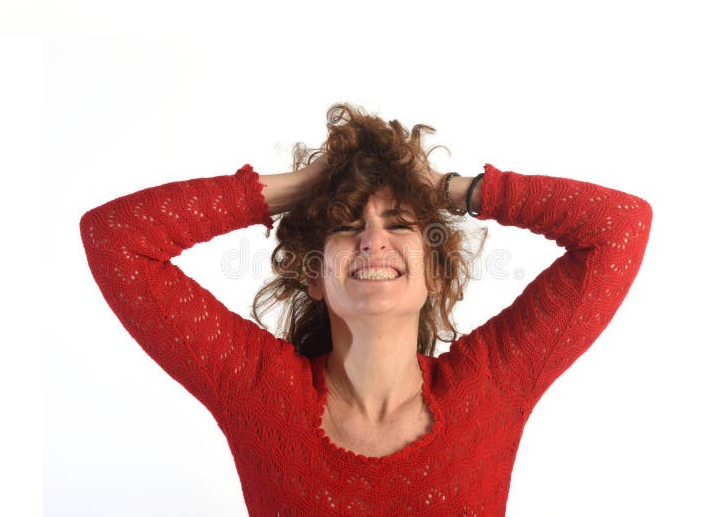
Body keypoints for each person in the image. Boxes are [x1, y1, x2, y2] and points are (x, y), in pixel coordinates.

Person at [79, 103, 652, 515]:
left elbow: (620, 230)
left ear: (436, 272)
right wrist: (307, 185)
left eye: (400, 225)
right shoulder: (258, 389)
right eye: (349, 226)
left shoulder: (492, 385)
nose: (374, 240)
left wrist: (449, 187)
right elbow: (115, 238)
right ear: (315, 277)